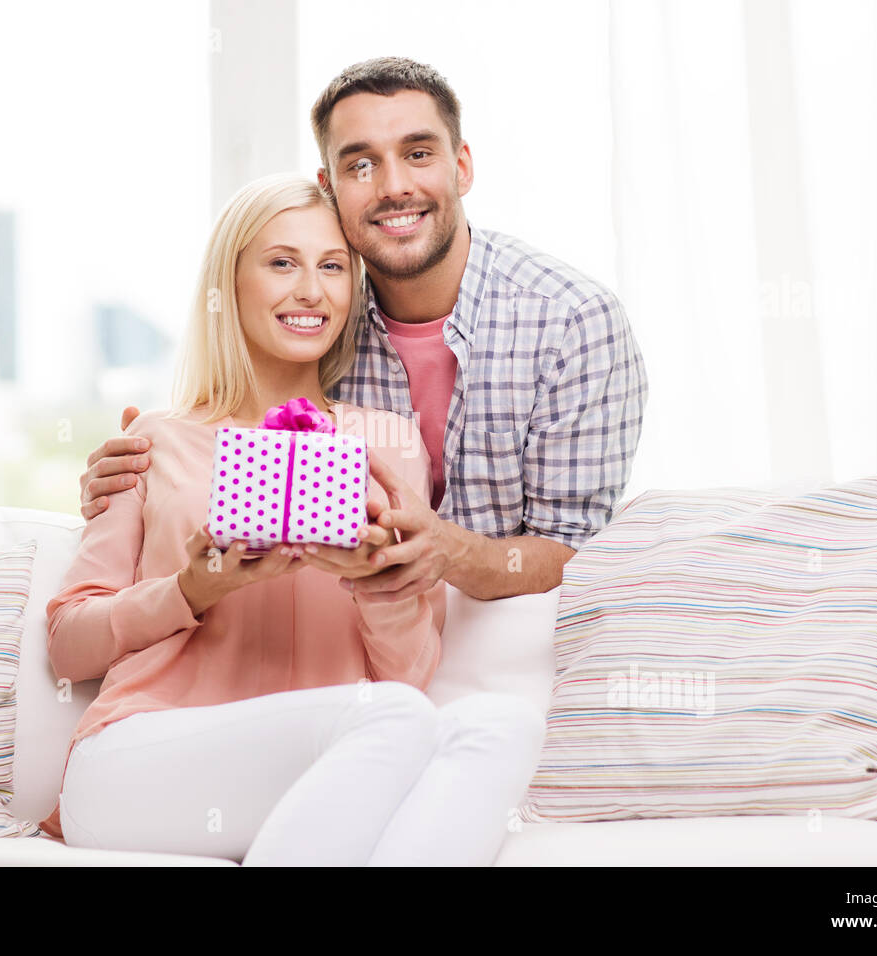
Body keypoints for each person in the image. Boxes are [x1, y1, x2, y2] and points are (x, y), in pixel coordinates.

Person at [38, 172, 544, 866]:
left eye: (333, 267)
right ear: (228, 282)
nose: (312, 290)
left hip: (328, 775)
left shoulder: (389, 442)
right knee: (391, 720)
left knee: (504, 723)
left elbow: (410, 675)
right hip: (140, 760)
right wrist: (192, 590)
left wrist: (378, 586)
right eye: (283, 262)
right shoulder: (155, 439)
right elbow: (69, 645)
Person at [81, 57, 648, 604]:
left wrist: (450, 553)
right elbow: (227, 443)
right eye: (361, 164)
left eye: (419, 153)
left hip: (511, 644)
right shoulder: (311, 321)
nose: (393, 186)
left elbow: (576, 551)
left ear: (463, 166)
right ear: (330, 187)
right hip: (361, 652)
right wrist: (134, 485)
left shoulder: (573, 322)